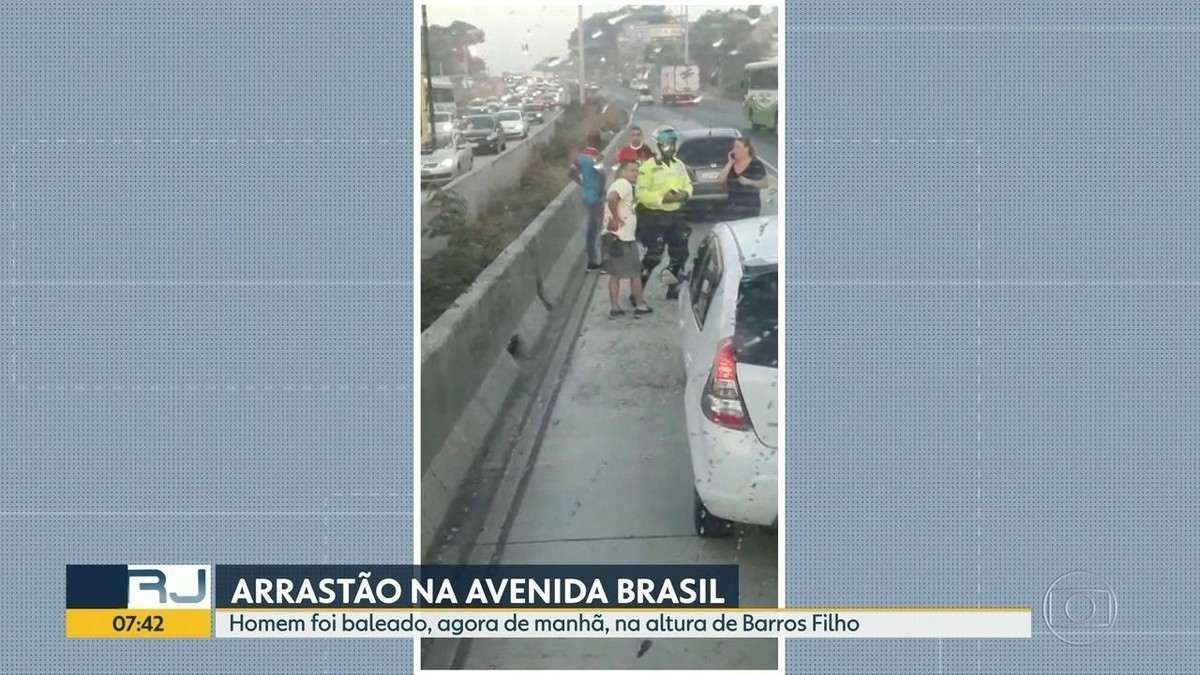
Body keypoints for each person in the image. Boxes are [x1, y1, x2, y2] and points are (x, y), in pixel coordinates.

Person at [634, 126, 694, 300]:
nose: (671, 148)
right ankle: (636, 293)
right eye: (667, 144)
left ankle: (672, 287)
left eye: (673, 144)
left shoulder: (679, 165)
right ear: (658, 146)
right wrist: (661, 198)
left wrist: (685, 194)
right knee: (654, 256)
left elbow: (688, 184)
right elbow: (641, 193)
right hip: (655, 217)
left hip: (675, 215)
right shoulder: (648, 168)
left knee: (679, 254)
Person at [602, 160, 652, 317]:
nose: (635, 174)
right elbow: (612, 199)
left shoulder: (618, 183)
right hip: (622, 237)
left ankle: (615, 308)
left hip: (613, 237)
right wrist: (616, 219)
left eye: (637, 171)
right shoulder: (623, 184)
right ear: (622, 171)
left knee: (615, 275)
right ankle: (640, 304)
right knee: (635, 273)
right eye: (632, 170)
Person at [569, 132, 606, 271]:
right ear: (598, 142)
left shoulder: (580, 157)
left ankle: (591, 261)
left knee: (591, 229)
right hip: (597, 197)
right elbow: (601, 175)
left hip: (586, 196)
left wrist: (583, 184)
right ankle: (603, 262)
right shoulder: (597, 157)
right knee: (603, 229)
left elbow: (571, 173)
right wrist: (601, 192)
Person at [716, 138, 771, 219]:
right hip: (732, 206)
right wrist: (730, 163)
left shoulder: (756, 164)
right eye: (734, 147)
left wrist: (750, 182)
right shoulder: (731, 164)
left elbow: (765, 183)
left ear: (746, 149)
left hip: (750, 207)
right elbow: (720, 180)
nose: (734, 150)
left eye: (737, 147)